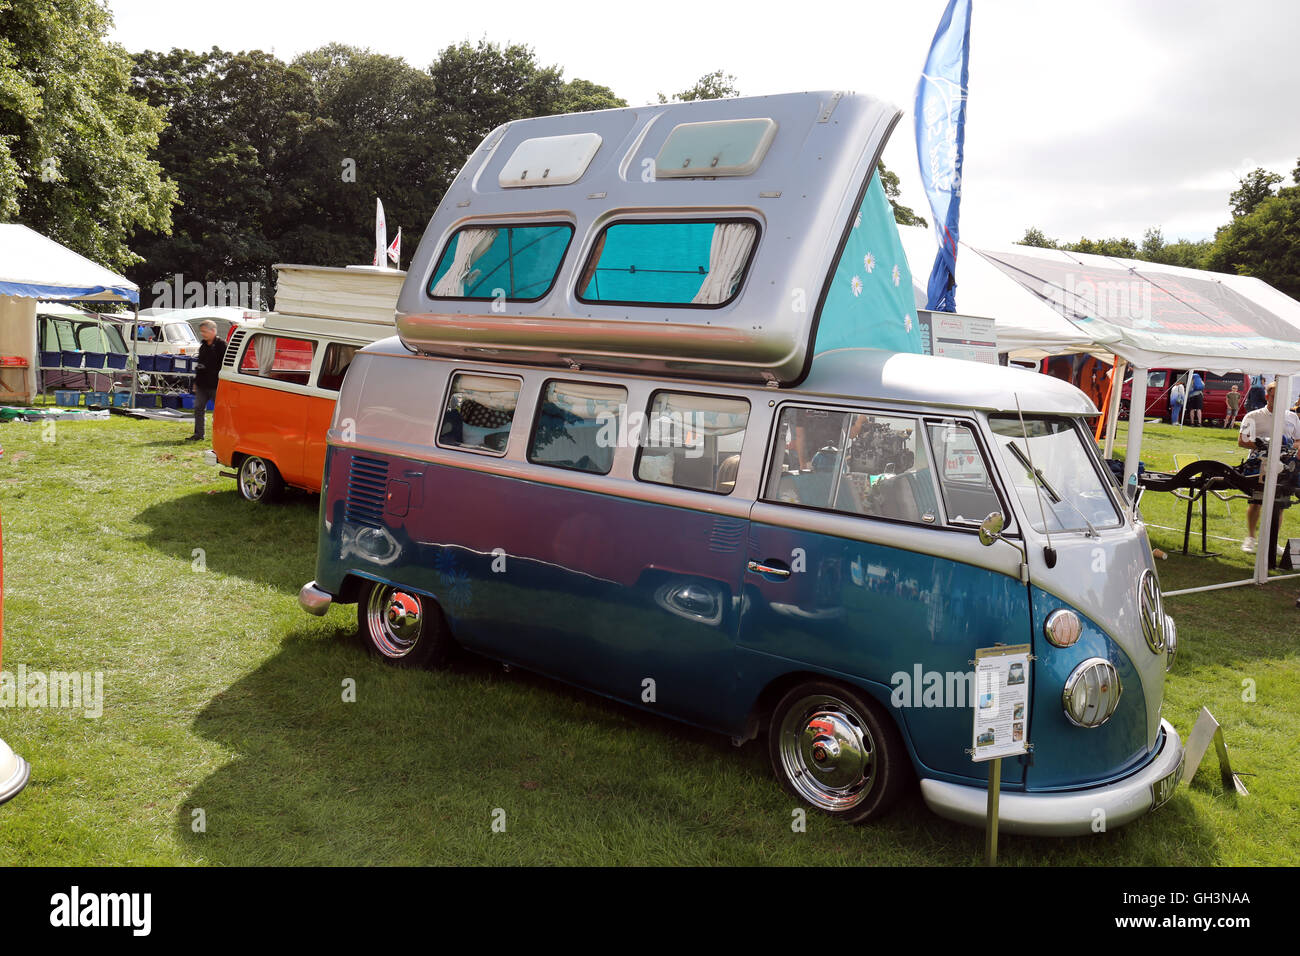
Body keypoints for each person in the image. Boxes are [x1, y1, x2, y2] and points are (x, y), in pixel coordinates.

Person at [1238, 380, 1300, 553]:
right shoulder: (1253, 416)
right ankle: (1250, 538)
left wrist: (1285, 446)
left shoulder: (1292, 417)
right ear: (1267, 396)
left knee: (1279, 504)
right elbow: (1242, 441)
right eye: (1275, 396)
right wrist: (1265, 445)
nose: (1279, 400)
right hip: (1259, 466)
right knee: (1257, 501)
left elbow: (1298, 440)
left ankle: (1271, 542)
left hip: (1285, 466)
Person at [187, 320, 225, 441]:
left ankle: (220, 435)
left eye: (205, 331)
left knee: (219, 412)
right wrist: (196, 382)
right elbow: (199, 364)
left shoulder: (222, 345)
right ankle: (198, 434)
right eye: (201, 332)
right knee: (198, 408)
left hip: (216, 384)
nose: (202, 334)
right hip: (202, 384)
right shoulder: (203, 346)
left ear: (213, 331)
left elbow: (225, 365)